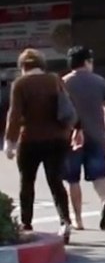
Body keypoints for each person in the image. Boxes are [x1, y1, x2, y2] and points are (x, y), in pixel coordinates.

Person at [3, 48, 76, 242]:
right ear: (41, 64)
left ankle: (27, 224)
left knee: (27, 182)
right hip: (58, 139)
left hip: (30, 140)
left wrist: (9, 143)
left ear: (23, 66)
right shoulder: (54, 80)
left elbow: (15, 115)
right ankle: (65, 222)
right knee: (56, 182)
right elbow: (67, 106)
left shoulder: (20, 84)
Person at [61, 46, 105, 231]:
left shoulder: (63, 83)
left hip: (71, 139)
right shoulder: (100, 82)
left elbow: (59, 111)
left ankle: (78, 219)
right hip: (98, 137)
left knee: (72, 180)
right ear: (86, 62)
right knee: (99, 175)